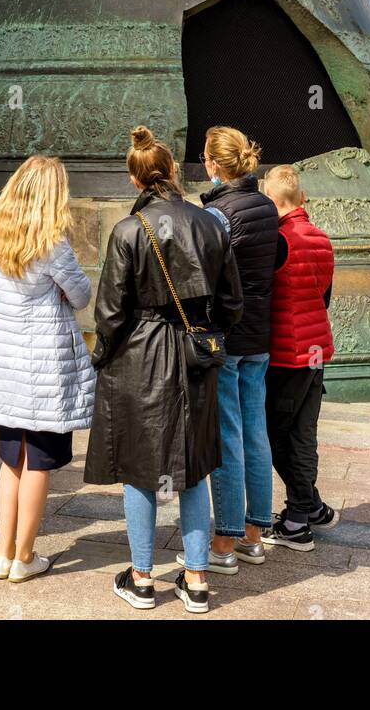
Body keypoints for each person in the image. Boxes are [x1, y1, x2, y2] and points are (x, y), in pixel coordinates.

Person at [85, 126, 243, 615]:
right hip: (196, 354)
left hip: (141, 354)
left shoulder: (129, 230)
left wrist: (102, 355)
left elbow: (109, 313)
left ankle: (141, 578)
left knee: (139, 469)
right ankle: (196, 578)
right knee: (192, 467)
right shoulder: (212, 224)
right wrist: (204, 329)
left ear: (135, 181)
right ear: (172, 171)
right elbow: (233, 303)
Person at [0, 156, 95, 584]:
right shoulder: (52, 243)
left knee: (11, 462)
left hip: (6, 363)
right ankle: (25, 556)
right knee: (39, 464)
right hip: (45, 368)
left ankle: (3, 554)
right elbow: (81, 296)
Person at [198, 125, 278, 573]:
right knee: (254, 431)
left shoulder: (216, 215)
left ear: (213, 164)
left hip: (225, 337)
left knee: (227, 435)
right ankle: (253, 534)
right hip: (258, 337)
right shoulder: (267, 206)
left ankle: (225, 541)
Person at [261, 165, 338, 551]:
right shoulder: (322, 238)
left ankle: (298, 517)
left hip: (287, 353)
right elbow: (323, 298)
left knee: (275, 435)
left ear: (271, 201)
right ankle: (309, 509)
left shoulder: (278, 240)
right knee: (303, 434)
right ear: (301, 198)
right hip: (315, 350)